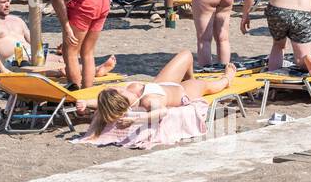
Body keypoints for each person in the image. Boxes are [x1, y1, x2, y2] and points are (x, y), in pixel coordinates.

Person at [79, 51, 236, 133]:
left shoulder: (129, 94)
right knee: (209, 86)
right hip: (182, 93)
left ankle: (190, 77)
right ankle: (227, 79)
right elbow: (161, 112)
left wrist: (87, 103)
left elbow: (103, 103)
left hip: (161, 84)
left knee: (186, 55)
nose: (120, 87)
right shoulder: (148, 102)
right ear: (122, 100)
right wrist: (137, 120)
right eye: (119, 90)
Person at [37, 0, 110, 90]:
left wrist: (65, 26)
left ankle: (76, 99)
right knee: (87, 52)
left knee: (69, 51)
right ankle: (86, 98)